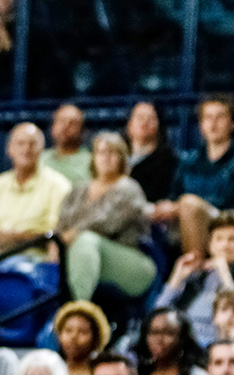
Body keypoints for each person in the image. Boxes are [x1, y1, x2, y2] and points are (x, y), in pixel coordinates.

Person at [152, 95, 234, 258]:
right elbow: (174, 195)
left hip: (229, 230)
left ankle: (195, 273)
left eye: (220, 117)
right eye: (208, 117)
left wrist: (179, 208)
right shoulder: (188, 161)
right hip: (182, 226)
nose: (213, 123)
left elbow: (226, 203)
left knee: (189, 205)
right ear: (201, 124)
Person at [56, 132, 156, 303]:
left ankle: (78, 309)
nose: (106, 157)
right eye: (101, 152)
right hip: (76, 255)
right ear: (93, 158)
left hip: (130, 261)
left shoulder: (128, 187)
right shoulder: (79, 188)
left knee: (86, 239)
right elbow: (61, 223)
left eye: (112, 152)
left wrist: (72, 234)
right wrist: (56, 244)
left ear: (122, 158)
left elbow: (106, 223)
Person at [156, 211, 234, 346]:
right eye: (219, 239)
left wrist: (224, 274)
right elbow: (157, 316)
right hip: (185, 343)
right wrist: (176, 279)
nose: (225, 245)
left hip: (222, 345)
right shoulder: (198, 277)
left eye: (231, 239)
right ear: (210, 245)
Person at [0, 122, 72, 255]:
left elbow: (58, 237)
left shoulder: (59, 186)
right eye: (20, 143)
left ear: (42, 149)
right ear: (10, 149)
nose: (26, 149)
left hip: (39, 263)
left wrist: (12, 237)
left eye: (32, 144)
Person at [134, 308, 210, 375]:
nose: (159, 339)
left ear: (182, 338)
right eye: (154, 332)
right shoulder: (135, 374)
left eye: (168, 333)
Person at [126, 102, 179, 203]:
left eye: (150, 118)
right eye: (140, 117)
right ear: (129, 124)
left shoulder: (169, 160)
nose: (144, 123)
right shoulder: (117, 157)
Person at [53, 301, 110, 375]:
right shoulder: (51, 370)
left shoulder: (103, 374)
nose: (73, 337)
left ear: (95, 340)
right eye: (68, 330)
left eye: (83, 332)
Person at [42, 104, 92, 187]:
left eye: (72, 123)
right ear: (53, 127)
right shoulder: (39, 159)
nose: (65, 127)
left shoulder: (92, 161)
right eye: (61, 121)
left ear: (82, 130)